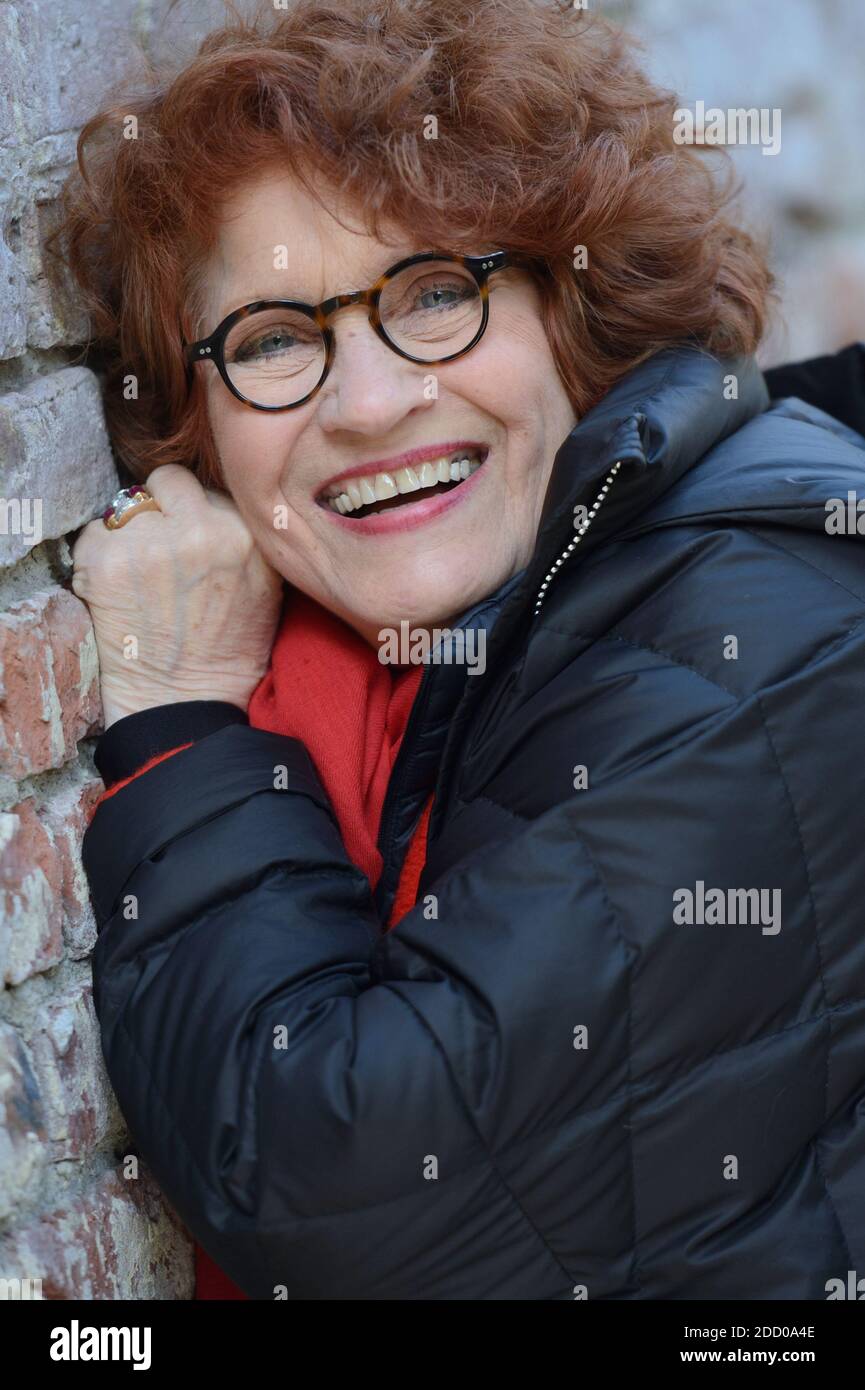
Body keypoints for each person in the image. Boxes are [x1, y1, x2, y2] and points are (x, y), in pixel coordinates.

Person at [58, 0, 865, 1299]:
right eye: (273, 341)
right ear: (194, 432)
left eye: (436, 294)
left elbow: (343, 1186)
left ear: (573, 306)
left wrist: (180, 729)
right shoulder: (480, 637)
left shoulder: (744, 638)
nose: (369, 402)